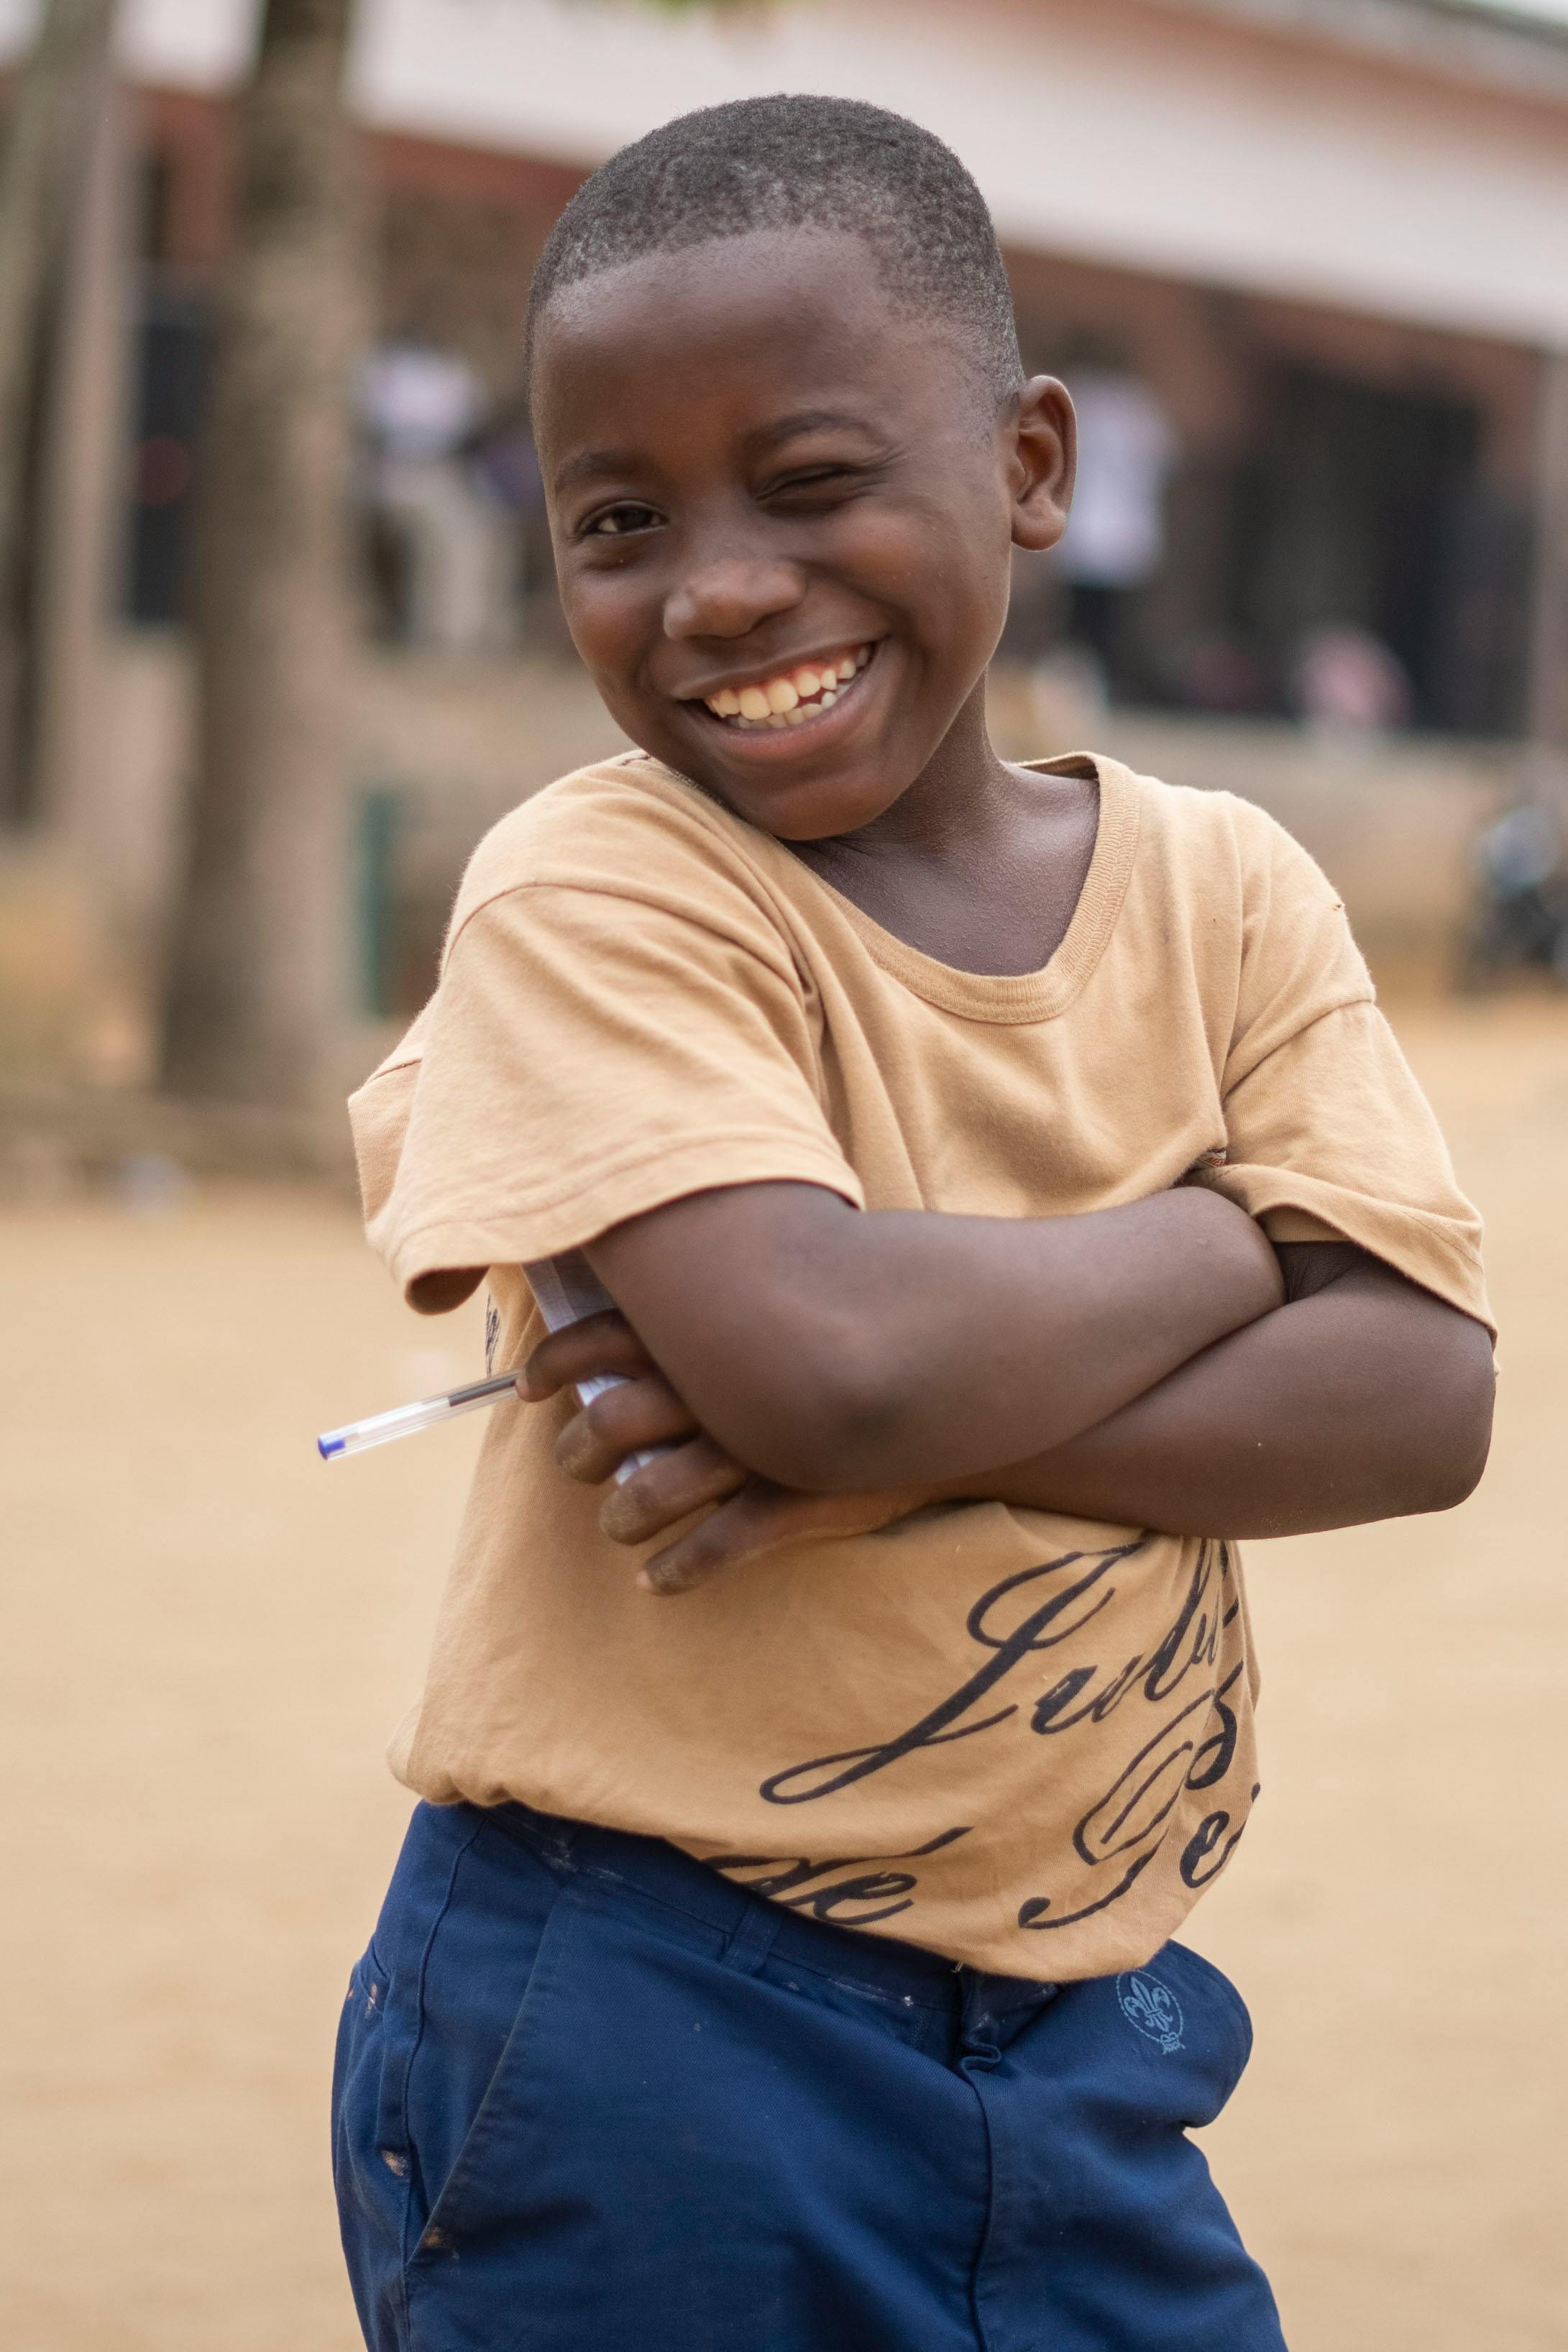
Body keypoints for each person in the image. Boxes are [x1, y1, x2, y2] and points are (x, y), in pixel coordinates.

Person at [334, 97, 1495, 2352]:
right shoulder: (606, 888)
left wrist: (873, 1394)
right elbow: (824, 1362)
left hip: (1095, 2035)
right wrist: (1234, 1238)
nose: (723, 586)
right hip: (643, 2018)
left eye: (812, 478)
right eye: (618, 519)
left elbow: (1421, 1396)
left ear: (1034, 468)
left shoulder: (1230, 892)